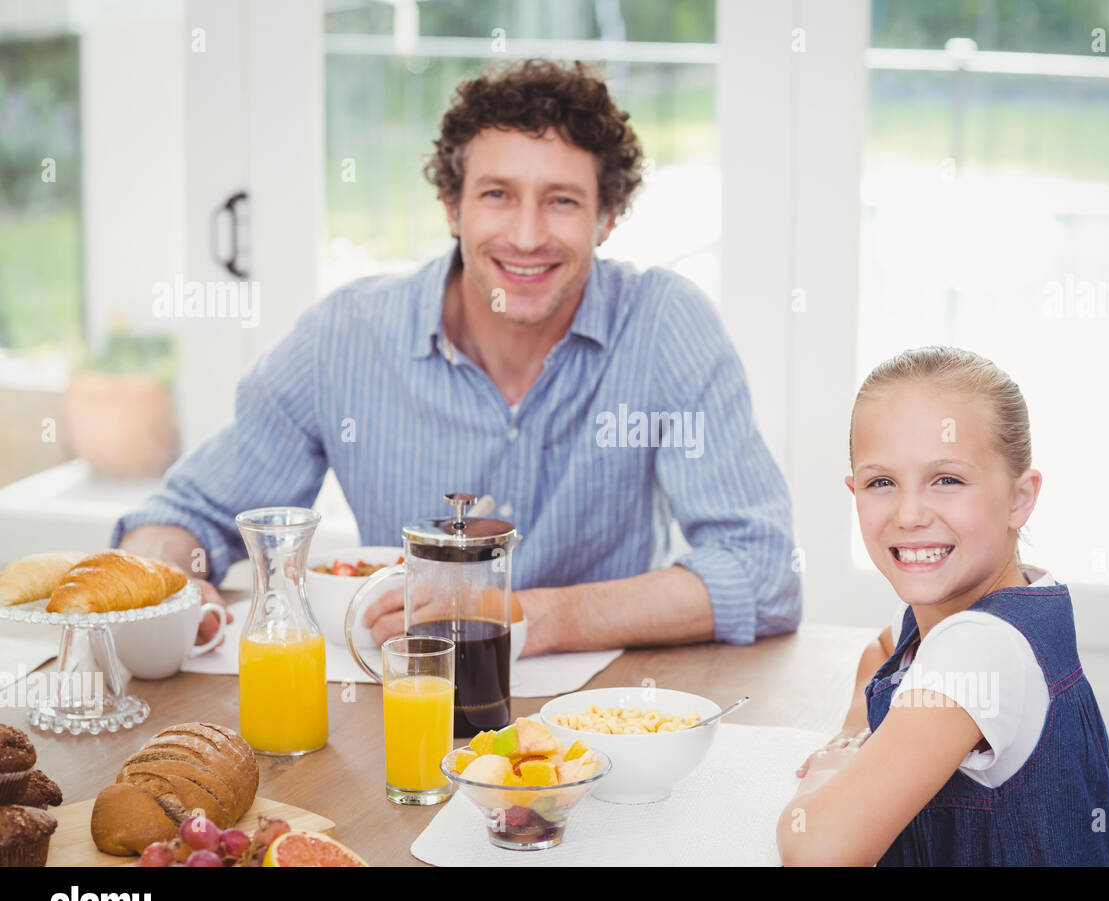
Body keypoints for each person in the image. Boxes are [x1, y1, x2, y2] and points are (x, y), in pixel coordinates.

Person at [111, 59, 800, 656]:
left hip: (603, 724)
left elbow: (763, 576)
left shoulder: (665, 327)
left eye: (562, 201)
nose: (527, 236)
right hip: (407, 711)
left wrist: (530, 616)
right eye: (497, 195)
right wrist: (165, 581)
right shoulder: (344, 338)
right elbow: (189, 515)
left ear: (607, 218)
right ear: (450, 205)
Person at [777, 346, 1109, 865]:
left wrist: (830, 772)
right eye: (881, 483)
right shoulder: (986, 604)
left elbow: (818, 850)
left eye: (947, 480)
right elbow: (882, 648)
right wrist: (854, 731)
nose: (910, 514)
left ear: (1019, 498)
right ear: (854, 492)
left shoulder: (979, 648)